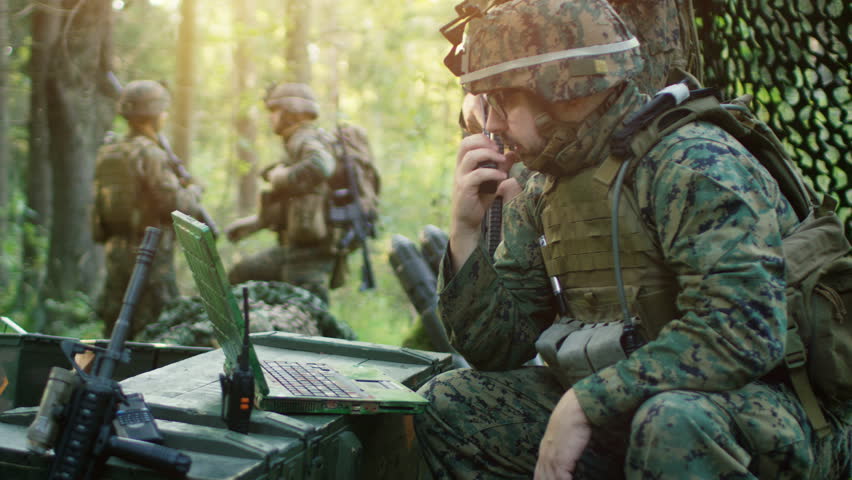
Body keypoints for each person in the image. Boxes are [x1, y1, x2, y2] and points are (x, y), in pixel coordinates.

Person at [415, 0, 850, 479]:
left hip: (769, 412)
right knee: (450, 402)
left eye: (502, 101)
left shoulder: (692, 162)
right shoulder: (546, 184)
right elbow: (496, 348)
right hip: (634, 402)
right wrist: (466, 231)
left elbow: (743, 332)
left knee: (674, 423)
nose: (491, 124)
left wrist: (584, 402)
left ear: (565, 89)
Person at [91, 79, 205, 340]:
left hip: (117, 254)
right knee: (156, 333)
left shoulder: (110, 150)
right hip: (149, 257)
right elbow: (176, 204)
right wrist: (195, 190)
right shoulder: (151, 154)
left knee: (116, 329)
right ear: (154, 115)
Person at [225, 83, 338, 304]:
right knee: (241, 275)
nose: (271, 118)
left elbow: (321, 164)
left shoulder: (304, 138)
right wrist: (254, 223)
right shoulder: (299, 140)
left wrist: (280, 177)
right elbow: (296, 201)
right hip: (297, 250)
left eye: (274, 111)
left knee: (308, 317)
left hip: (309, 255)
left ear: (290, 113)